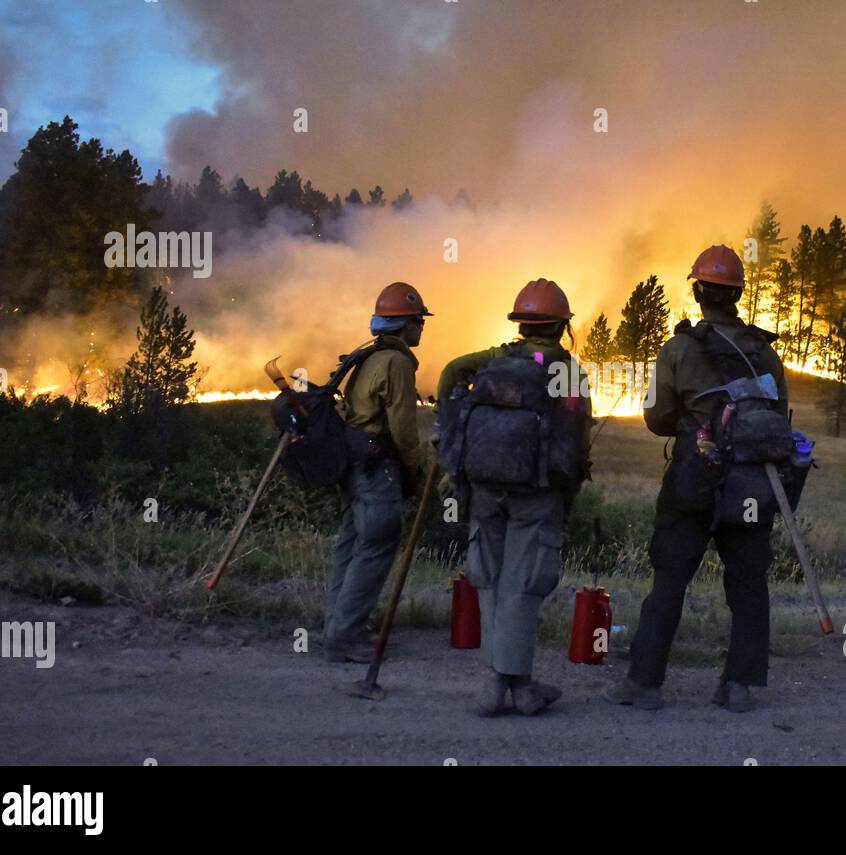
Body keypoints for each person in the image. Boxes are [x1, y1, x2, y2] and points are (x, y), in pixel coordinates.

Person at [606, 245, 789, 713]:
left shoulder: (680, 349)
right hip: (751, 486)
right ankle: (739, 687)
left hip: (694, 481)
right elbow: (779, 420)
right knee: (748, 584)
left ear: (698, 291)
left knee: (670, 579)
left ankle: (644, 685)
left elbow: (658, 418)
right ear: (738, 295)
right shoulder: (766, 354)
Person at [437, 279, 592, 715]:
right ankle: (498, 684)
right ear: (562, 326)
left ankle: (516, 683)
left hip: (483, 488)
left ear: (520, 324)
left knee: (489, 579)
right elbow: (576, 439)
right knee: (524, 585)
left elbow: (450, 373)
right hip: (538, 493)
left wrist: (448, 434)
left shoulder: (492, 361)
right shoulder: (567, 371)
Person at [324, 281, 431, 663]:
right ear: (405, 324)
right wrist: (414, 470)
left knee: (352, 546)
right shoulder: (398, 363)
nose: (422, 328)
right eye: (419, 320)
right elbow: (402, 430)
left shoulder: (368, 356)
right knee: (376, 547)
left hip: (352, 466)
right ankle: (345, 638)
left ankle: (337, 626)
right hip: (375, 469)